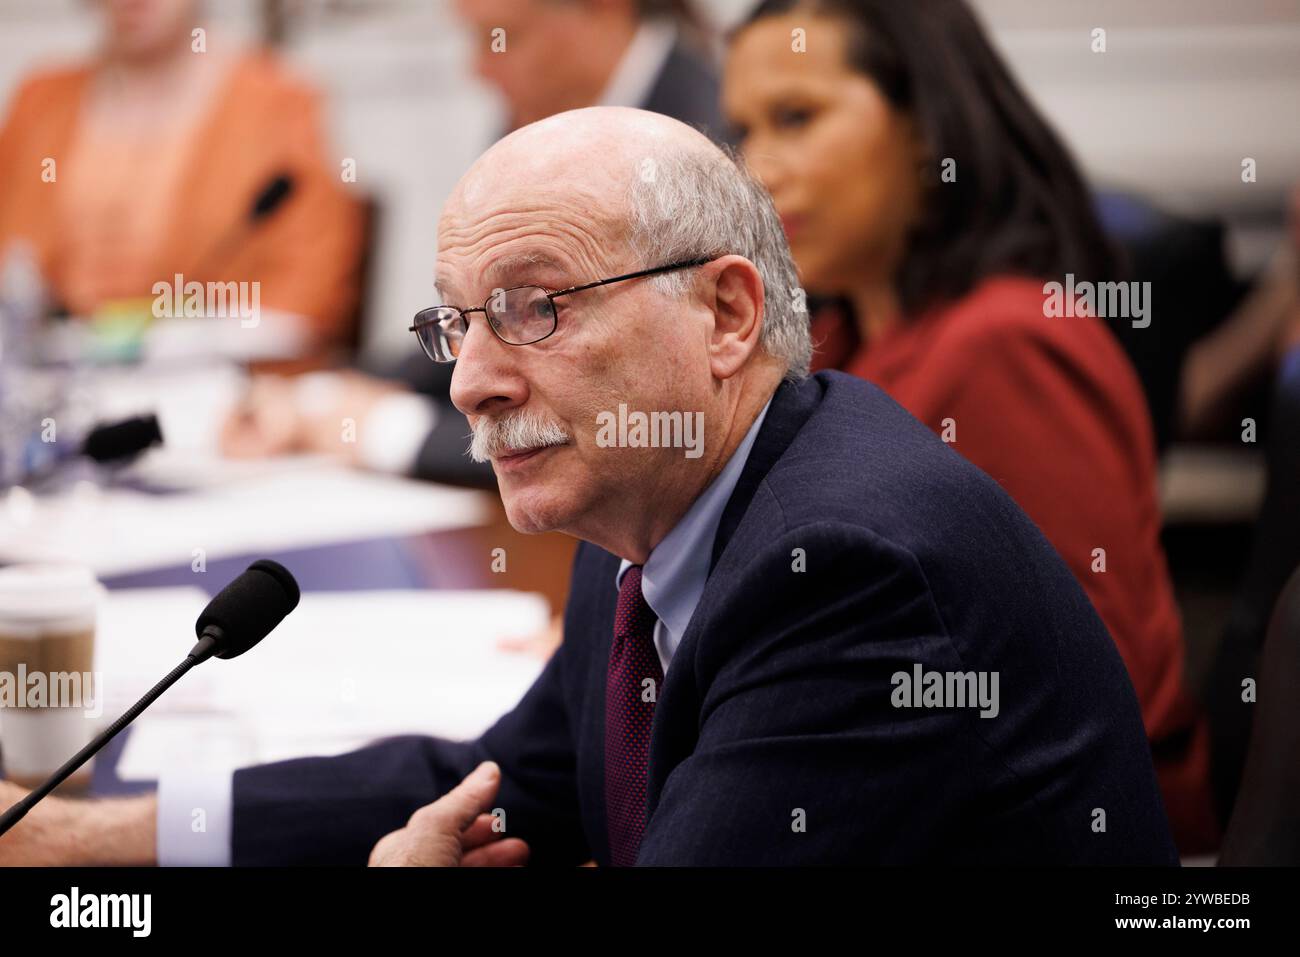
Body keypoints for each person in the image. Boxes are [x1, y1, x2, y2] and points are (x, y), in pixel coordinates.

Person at [0, 107, 1176, 866]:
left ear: (724, 314)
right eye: (454, 324)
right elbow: (498, 784)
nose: (468, 384)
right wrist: (83, 838)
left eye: (534, 307)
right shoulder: (657, 507)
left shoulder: (846, 574)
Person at [722, 0, 1216, 852]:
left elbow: (1082, 690)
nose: (756, 170)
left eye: (796, 118)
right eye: (743, 130)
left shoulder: (1009, 343)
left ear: (926, 125)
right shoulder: (843, 337)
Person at [220, 0, 730, 486]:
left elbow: (645, 420)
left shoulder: (715, 135)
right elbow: (485, 318)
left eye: (500, 36)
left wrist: (391, 433)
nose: (478, 68)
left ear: (602, 7)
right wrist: (318, 397)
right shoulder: (536, 120)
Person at [0, 0, 363, 359]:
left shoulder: (280, 105)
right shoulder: (40, 102)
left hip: (213, 388)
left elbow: (308, 300)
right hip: (49, 387)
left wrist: (155, 343)